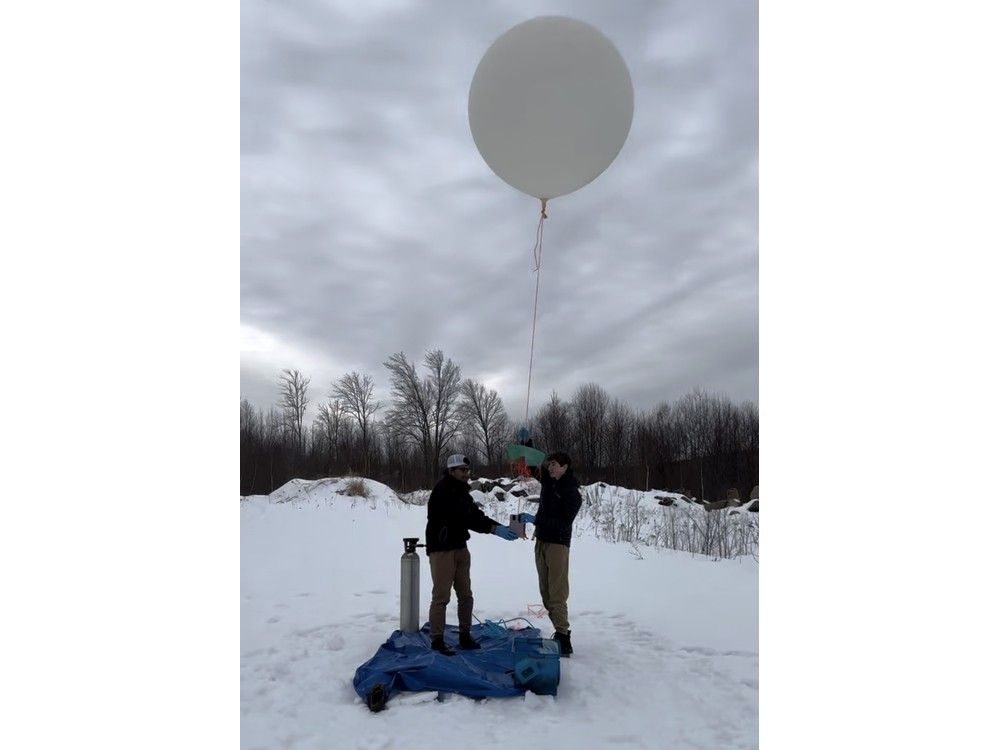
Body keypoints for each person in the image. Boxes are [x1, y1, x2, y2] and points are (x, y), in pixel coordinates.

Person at [425, 453, 519, 656]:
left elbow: (475, 515)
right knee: (441, 597)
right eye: (462, 470)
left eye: (467, 470)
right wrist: (493, 530)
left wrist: (499, 527)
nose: (466, 474)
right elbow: (466, 518)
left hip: (460, 548)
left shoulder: (462, 491)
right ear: (451, 471)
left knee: (466, 595)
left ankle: (465, 635)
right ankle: (437, 640)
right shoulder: (443, 490)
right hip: (442, 551)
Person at [517, 451, 582, 657]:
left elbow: (563, 524)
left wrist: (535, 520)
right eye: (550, 464)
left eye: (554, 464)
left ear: (565, 467)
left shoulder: (572, 493)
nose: (550, 467)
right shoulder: (549, 482)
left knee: (557, 594)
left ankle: (564, 637)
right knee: (545, 594)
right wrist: (525, 446)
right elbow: (534, 464)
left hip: (558, 545)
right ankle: (560, 632)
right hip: (542, 541)